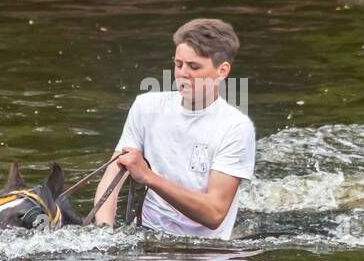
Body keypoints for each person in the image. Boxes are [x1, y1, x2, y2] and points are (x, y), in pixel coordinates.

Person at [92, 18, 255, 239]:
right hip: (149, 238)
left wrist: (149, 177)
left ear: (222, 71)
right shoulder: (146, 106)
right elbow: (113, 177)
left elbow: (215, 214)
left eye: (194, 67)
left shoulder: (236, 127)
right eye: (179, 64)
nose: (182, 74)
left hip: (208, 253)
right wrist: (104, 233)